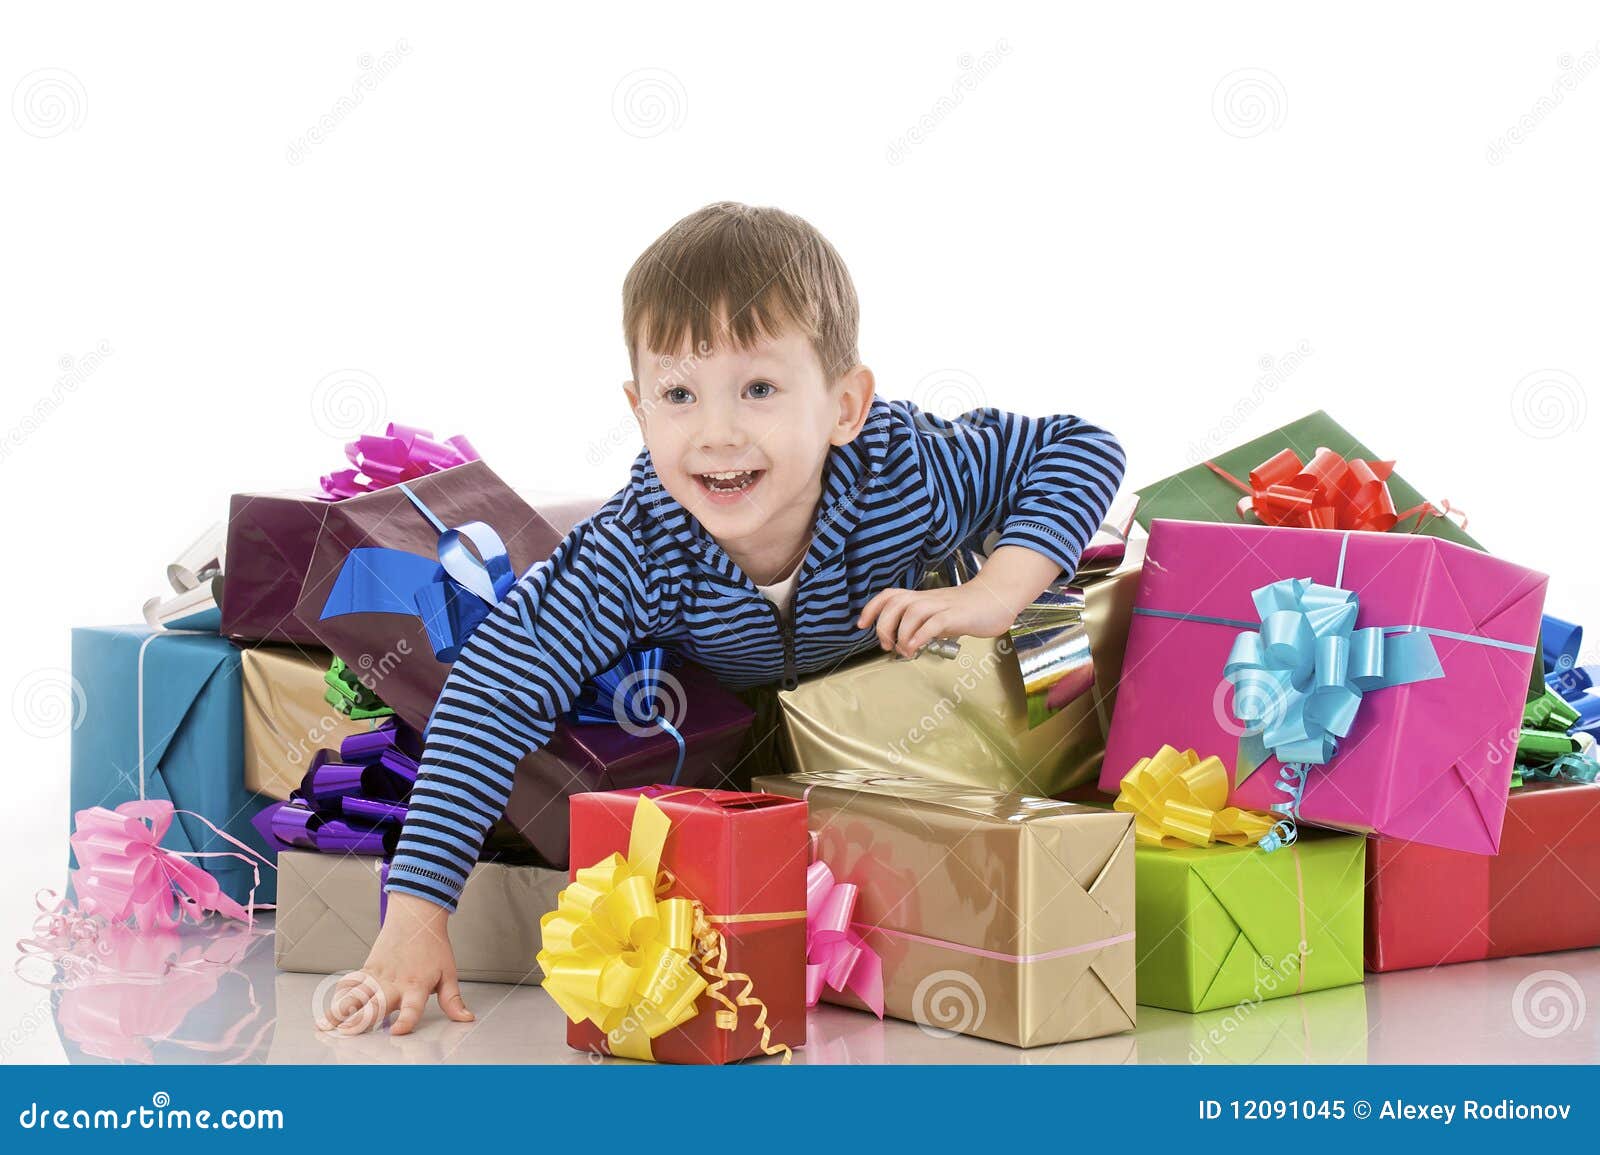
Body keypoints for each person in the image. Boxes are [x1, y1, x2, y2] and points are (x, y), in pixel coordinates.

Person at [318, 201, 1126, 1036]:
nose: (717, 432)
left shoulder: (903, 471)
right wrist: (416, 915)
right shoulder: (635, 548)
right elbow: (491, 692)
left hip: (920, 719)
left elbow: (1080, 447)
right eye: (679, 394)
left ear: (845, 406)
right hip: (767, 749)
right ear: (639, 409)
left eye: (759, 389)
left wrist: (996, 590)